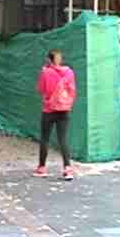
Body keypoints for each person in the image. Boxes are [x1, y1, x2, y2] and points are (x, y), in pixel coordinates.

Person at [35, 50, 77, 180]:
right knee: (62, 139)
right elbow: (72, 90)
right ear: (60, 59)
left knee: (45, 139)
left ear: (49, 59)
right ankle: (67, 169)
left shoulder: (45, 72)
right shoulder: (69, 72)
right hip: (64, 109)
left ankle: (42, 168)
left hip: (49, 110)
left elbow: (40, 89)